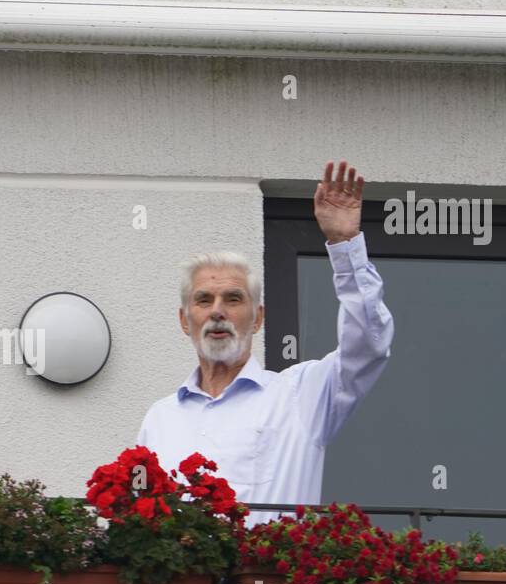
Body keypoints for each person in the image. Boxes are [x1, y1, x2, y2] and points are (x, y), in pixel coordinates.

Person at [137, 161, 393, 527]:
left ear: (258, 318)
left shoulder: (301, 394)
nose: (218, 312)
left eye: (234, 299)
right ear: (184, 320)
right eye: (204, 300)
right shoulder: (160, 419)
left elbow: (369, 344)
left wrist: (344, 245)